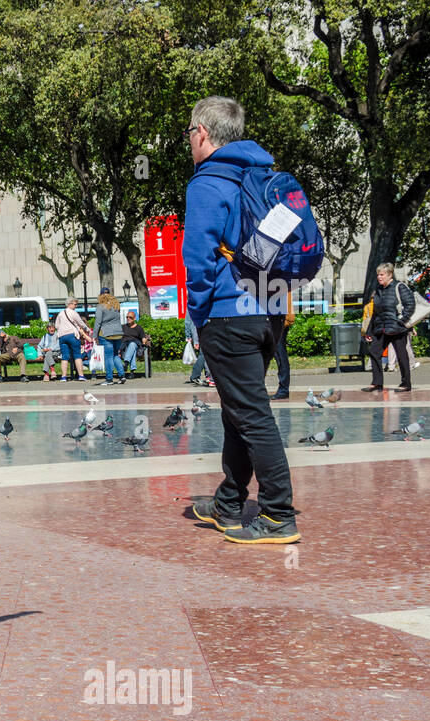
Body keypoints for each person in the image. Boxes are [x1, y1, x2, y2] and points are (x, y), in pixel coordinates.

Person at [183, 95, 299, 543]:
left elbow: (198, 258)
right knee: (239, 414)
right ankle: (229, 502)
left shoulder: (208, 181)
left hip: (228, 316)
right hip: (267, 314)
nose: (189, 141)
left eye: (190, 133)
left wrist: (200, 314)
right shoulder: (264, 177)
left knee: (251, 416)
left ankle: (277, 514)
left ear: (204, 134)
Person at [363, 263, 414, 393]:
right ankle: (377, 383)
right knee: (374, 352)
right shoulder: (378, 290)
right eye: (378, 274)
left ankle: (406, 383)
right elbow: (375, 312)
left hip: (397, 328)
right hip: (381, 328)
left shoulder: (399, 287)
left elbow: (410, 305)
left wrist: (401, 321)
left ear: (390, 274)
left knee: (402, 356)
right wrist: (369, 331)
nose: (379, 277)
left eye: (382, 274)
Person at [90, 288, 126, 384]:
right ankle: (122, 376)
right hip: (118, 333)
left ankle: (109, 379)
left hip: (106, 334)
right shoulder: (116, 306)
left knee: (108, 357)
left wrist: (95, 336)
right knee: (115, 355)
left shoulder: (100, 307)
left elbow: (98, 322)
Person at [53, 298, 92, 381]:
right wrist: (87, 329)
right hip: (72, 336)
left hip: (62, 337)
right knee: (77, 355)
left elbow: (56, 326)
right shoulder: (73, 313)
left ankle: (63, 377)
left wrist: (63, 329)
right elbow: (80, 323)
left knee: (65, 357)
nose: (76, 306)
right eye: (75, 304)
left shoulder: (60, 313)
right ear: (69, 304)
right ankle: (81, 375)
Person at [185, 315, 211, 386]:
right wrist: (190, 337)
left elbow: (187, 322)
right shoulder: (193, 305)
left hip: (199, 333)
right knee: (203, 355)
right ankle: (196, 376)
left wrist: (188, 336)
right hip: (200, 333)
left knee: (204, 355)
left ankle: (206, 376)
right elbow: (188, 321)